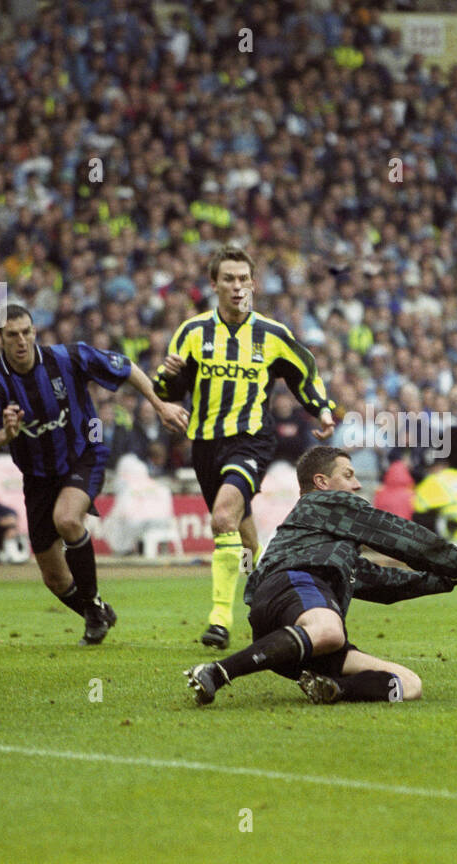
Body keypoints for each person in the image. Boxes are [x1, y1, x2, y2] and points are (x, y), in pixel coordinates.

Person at [183, 446, 457, 706]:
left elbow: (386, 584)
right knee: (330, 631)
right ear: (322, 482)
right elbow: (393, 533)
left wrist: (454, 579)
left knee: (409, 685)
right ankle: (217, 672)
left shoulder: (329, 546)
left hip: (290, 639)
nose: (357, 484)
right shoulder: (322, 502)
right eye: (348, 475)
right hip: (295, 588)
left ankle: (334, 688)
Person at [153, 245, 335, 651]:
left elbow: (304, 372)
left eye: (243, 279)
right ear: (214, 284)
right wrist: (165, 380)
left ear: (253, 284)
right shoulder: (192, 332)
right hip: (204, 444)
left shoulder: (272, 334)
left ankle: (220, 619)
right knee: (245, 539)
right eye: (229, 279)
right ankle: (267, 595)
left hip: (251, 439)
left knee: (222, 517)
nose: (237, 286)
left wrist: (322, 409)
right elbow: (170, 389)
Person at [0, 304, 187, 645]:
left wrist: (160, 405)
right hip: (38, 477)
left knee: (68, 520)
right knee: (54, 578)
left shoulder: (67, 357)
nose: (21, 341)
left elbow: (126, 367)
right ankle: (95, 609)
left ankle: (93, 608)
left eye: (26, 332)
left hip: (84, 454)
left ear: (34, 331)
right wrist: (5, 435)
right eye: (12, 335)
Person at [412, 459, 457, 542]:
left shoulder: (433, 480)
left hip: (454, 535)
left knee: (421, 517)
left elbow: (416, 508)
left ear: (431, 468)